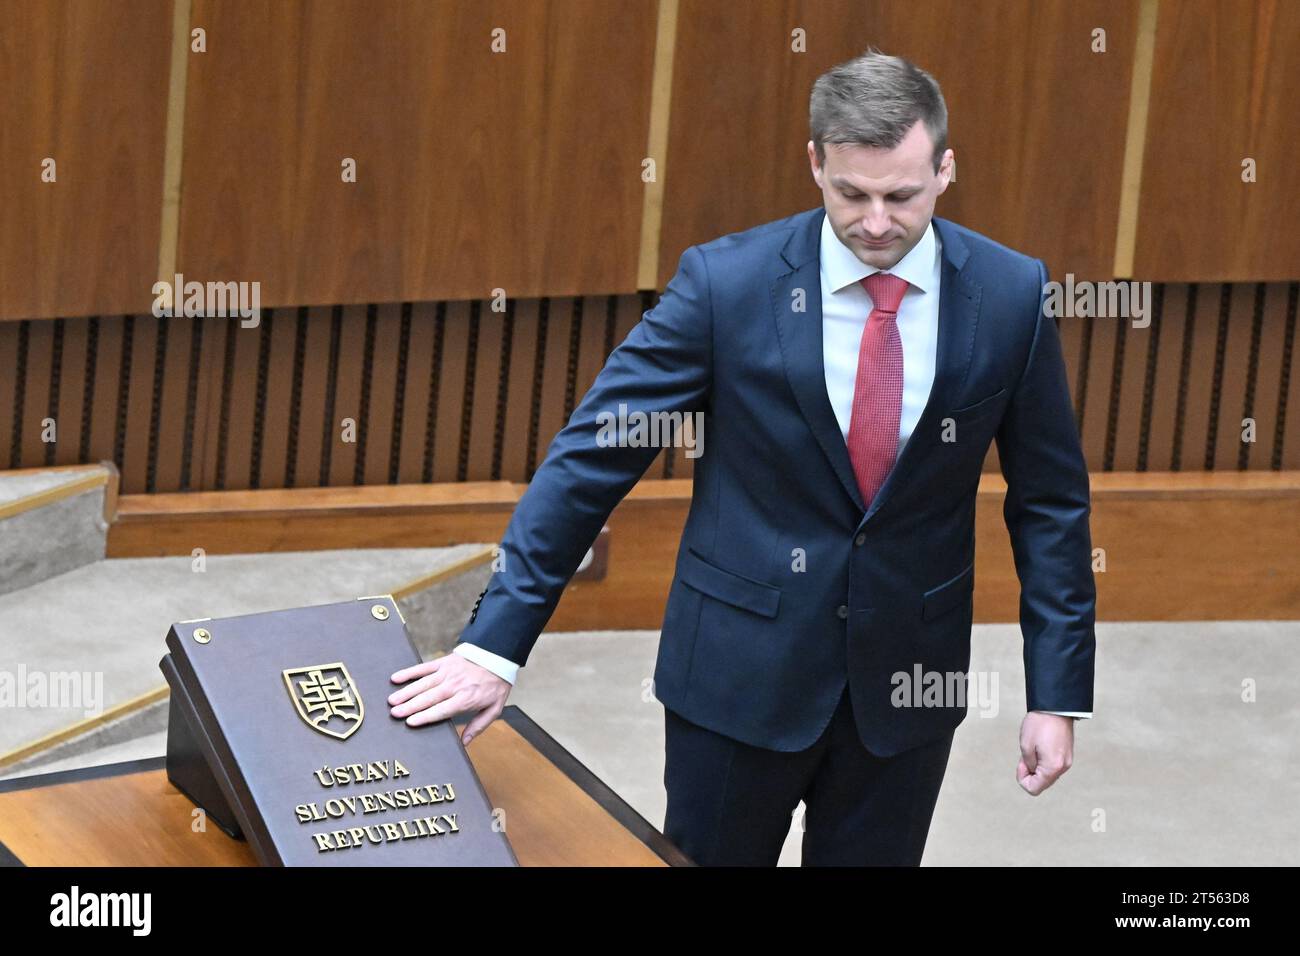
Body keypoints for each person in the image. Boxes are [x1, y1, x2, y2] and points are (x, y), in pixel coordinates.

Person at [388, 48, 1096, 866]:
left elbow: (1049, 503)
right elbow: (593, 456)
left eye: (901, 196)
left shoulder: (1010, 295)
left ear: (944, 169)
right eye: (850, 193)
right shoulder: (727, 285)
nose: (875, 222)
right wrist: (494, 643)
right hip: (735, 682)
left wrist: (1058, 693)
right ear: (814, 164)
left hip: (907, 689)